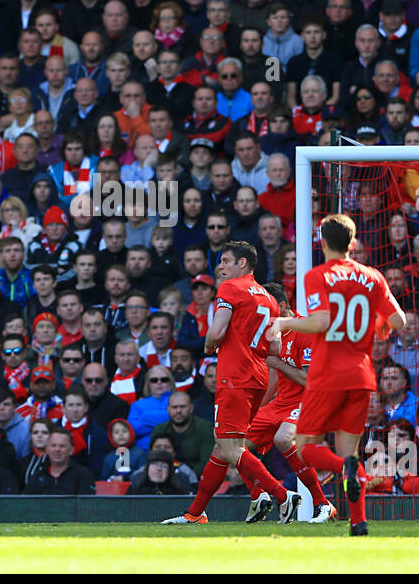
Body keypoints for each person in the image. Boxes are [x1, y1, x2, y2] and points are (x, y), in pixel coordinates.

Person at [272, 213, 405, 536]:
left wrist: (284, 323)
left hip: (327, 374)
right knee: (351, 450)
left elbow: (321, 321)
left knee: (305, 447)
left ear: (322, 242)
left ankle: (343, 468)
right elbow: (399, 320)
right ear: (353, 243)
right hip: (361, 375)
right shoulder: (373, 276)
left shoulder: (318, 275)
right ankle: (358, 523)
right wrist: (376, 327)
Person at [162, 240, 301, 524]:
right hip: (258, 377)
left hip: (234, 376)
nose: (220, 266)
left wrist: (210, 346)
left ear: (243, 263)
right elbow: (274, 348)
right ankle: (195, 513)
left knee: (229, 447)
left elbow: (217, 330)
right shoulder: (269, 298)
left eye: (226, 261)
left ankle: (282, 496)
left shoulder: (230, 289)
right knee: (223, 448)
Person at [241, 281, 333, 521]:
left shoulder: (306, 332)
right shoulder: (272, 333)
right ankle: (266, 497)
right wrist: (257, 410)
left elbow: (311, 381)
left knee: (282, 438)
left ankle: (322, 503)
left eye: (269, 308)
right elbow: (274, 377)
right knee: (231, 446)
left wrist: (279, 363)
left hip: (309, 401)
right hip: (281, 403)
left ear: (282, 306)